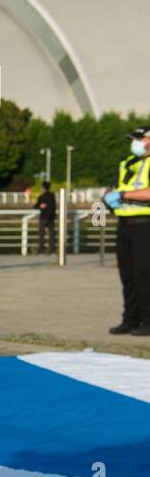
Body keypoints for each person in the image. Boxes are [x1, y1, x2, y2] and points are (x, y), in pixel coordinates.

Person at [104, 125, 150, 335]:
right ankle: (130, 319)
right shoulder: (127, 163)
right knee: (127, 275)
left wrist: (123, 196)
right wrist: (108, 197)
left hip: (145, 224)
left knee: (144, 274)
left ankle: (147, 321)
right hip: (124, 223)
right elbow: (116, 187)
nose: (136, 143)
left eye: (140, 139)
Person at [34, 179, 57, 254]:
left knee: (41, 234)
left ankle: (41, 249)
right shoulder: (52, 196)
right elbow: (54, 206)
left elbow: (35, 206)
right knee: (52, 234)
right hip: (51, 217)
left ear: (43, 187)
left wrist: (41, 206)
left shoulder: (41, 196)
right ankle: (52, 249)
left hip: (43, 217)